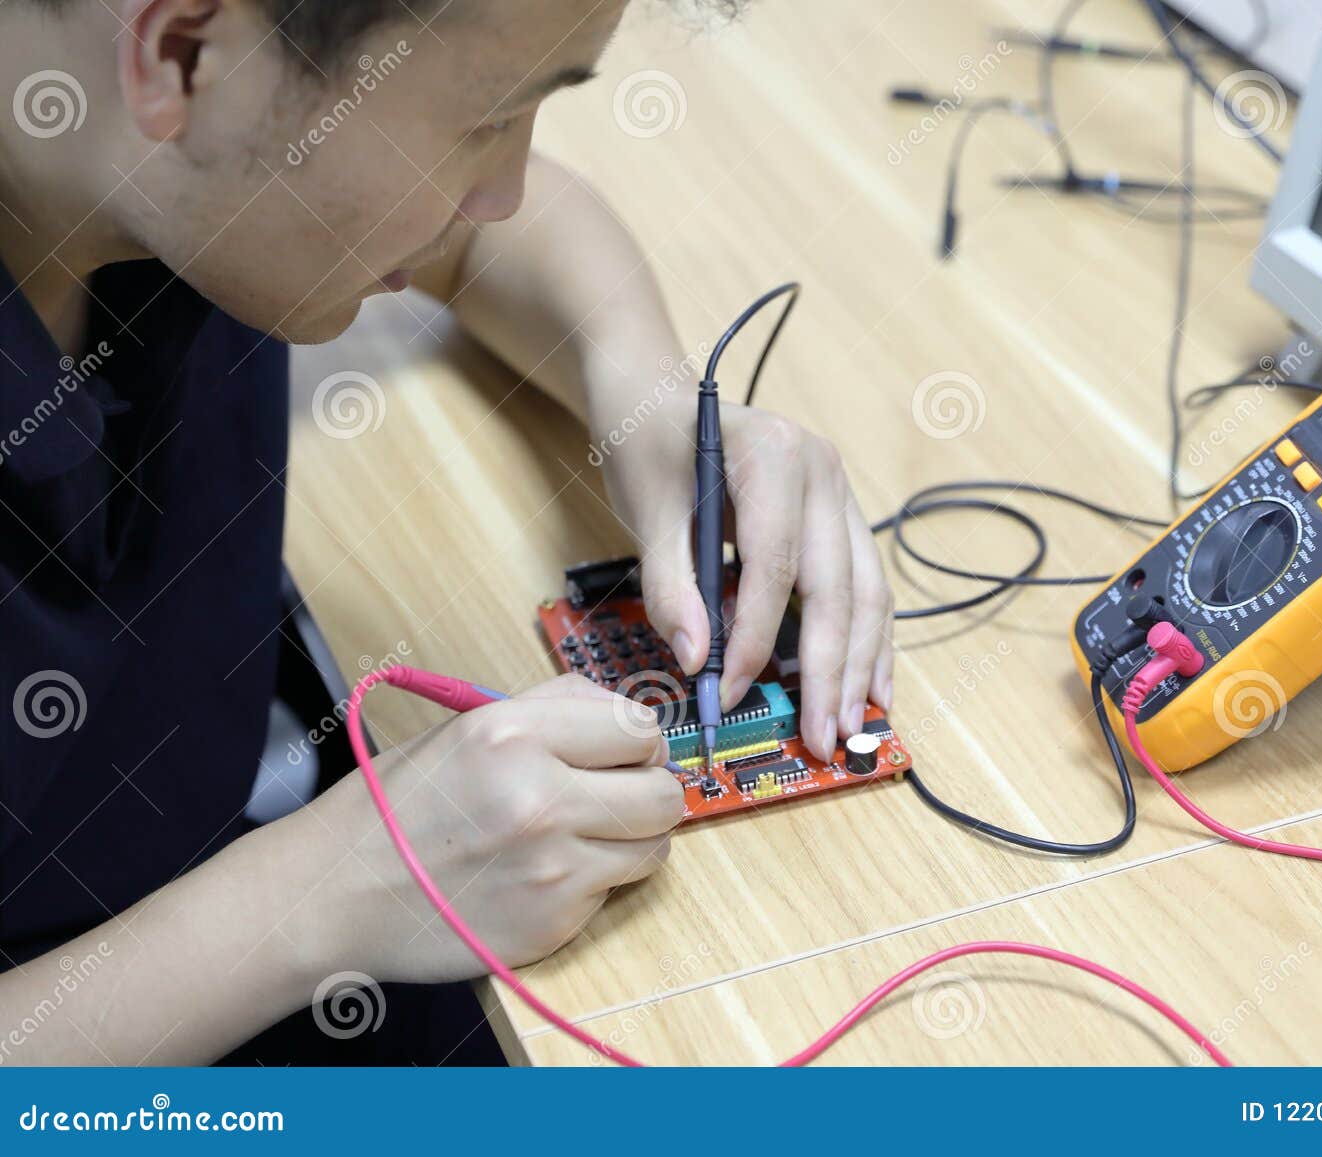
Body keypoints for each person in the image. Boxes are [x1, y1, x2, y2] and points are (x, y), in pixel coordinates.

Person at [0, 0, 894, 1064]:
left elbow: (491, 234)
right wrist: (331, 886)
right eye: (488, 120)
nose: (504, 186)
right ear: (182, 50)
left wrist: (646, 405)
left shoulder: (171, 173)